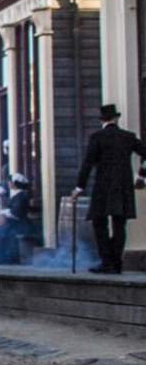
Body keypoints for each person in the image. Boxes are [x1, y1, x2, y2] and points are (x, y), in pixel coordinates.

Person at [72, 104, 146, 274]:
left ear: (102, 120)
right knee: (120, 225)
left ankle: (107, 262)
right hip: (123, 187)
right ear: (116, 118)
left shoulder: (97, 137)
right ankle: (117, 262)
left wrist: (79, 187)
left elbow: (87, 164)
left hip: (103, 187)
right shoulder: (128, 137)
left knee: (100, 224)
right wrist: (142, 175)